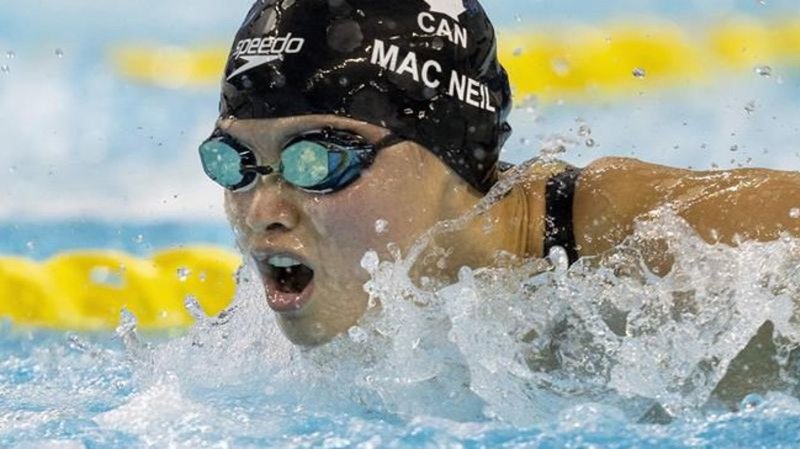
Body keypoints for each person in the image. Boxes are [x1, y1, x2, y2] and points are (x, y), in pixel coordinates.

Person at [199, 0, 800, 349]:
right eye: (237, 164)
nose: (262, 211)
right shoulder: (281, 334)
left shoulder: (656, 241)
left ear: (450, 153)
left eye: (318, 159)